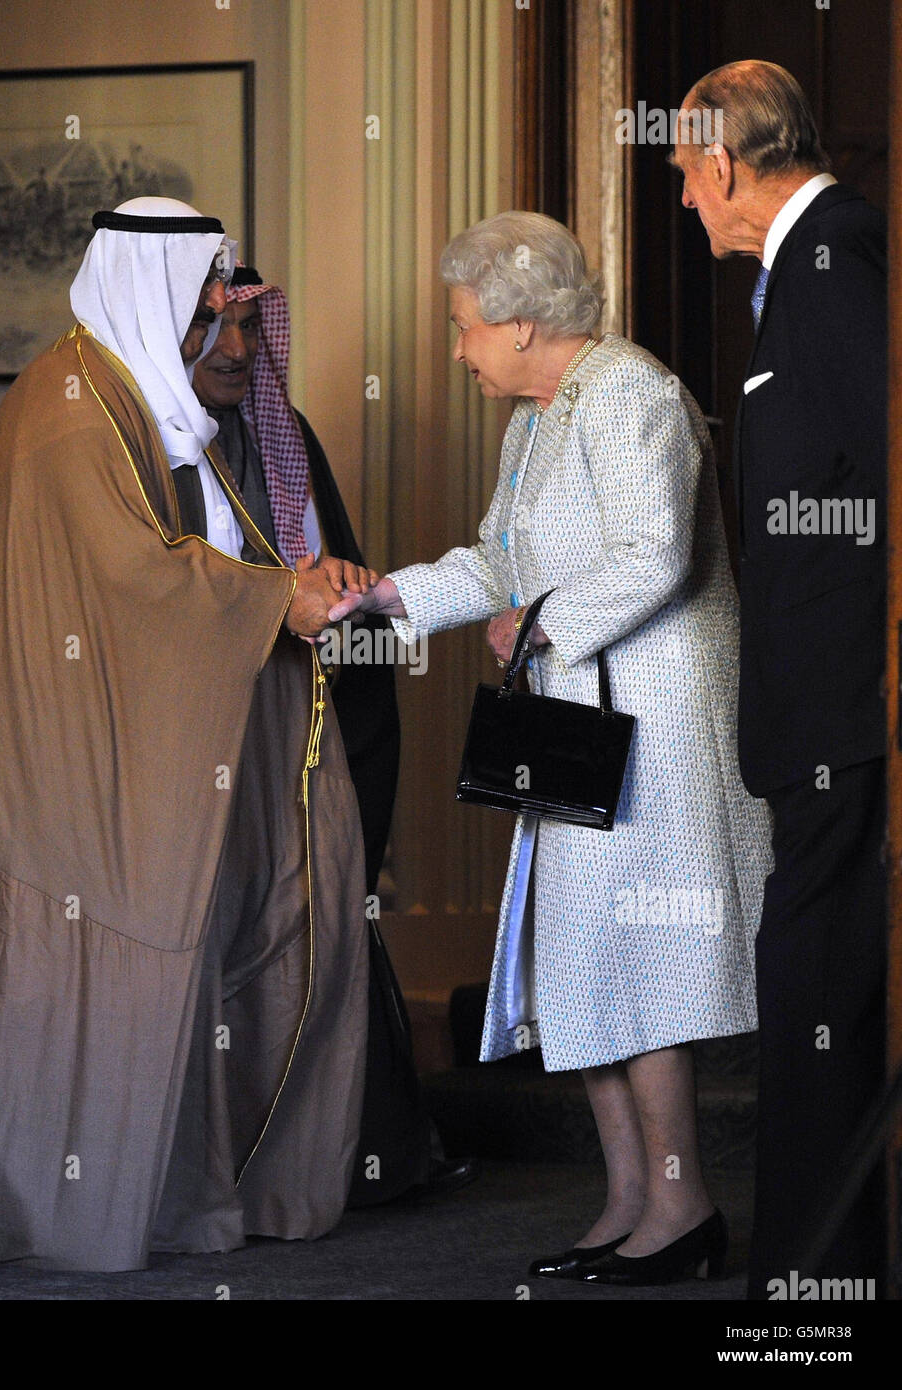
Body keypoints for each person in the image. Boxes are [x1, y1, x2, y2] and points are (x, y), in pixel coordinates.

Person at [0, 197, 375, 1271]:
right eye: (198, 313)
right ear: (147, 296)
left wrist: (291, 588)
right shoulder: (71, 405)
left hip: (116, 763)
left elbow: (193, 555)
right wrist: (279, 599)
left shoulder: (144, 402)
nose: (214, 337)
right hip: (22, 781)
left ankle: (196, 1191)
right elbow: (134, 578)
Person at [333, 211, 774, 1285]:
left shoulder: (631, 393)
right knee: (584, 961)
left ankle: (682, 1207)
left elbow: (656, 555)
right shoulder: (534, 418)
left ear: (524, 324)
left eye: (466, 326)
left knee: (648, 968)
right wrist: (387, 596)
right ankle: (629, 1200)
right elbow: (495, 560)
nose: (456, 346)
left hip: (654, 732)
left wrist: (539, 621)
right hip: (580, 730)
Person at [192, 264, 477, 1205]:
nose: (240, 351)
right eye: (214, 328)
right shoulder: (138, 448)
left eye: (249, 327)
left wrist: (338, 590)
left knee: (330, 919)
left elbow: (340, 595)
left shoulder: (284, 433)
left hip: (315, 731)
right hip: (206, 749)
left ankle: (353, 1157)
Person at [672, 61, 887, 1298]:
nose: (688, 208)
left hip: (849, 703)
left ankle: (815, 1276)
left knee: (817, 976)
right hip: (816, 709)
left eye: (687, 183)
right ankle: (815, 1265)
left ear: (726, 166)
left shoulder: (832, 251)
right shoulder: (794, 268)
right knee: (809, 973)